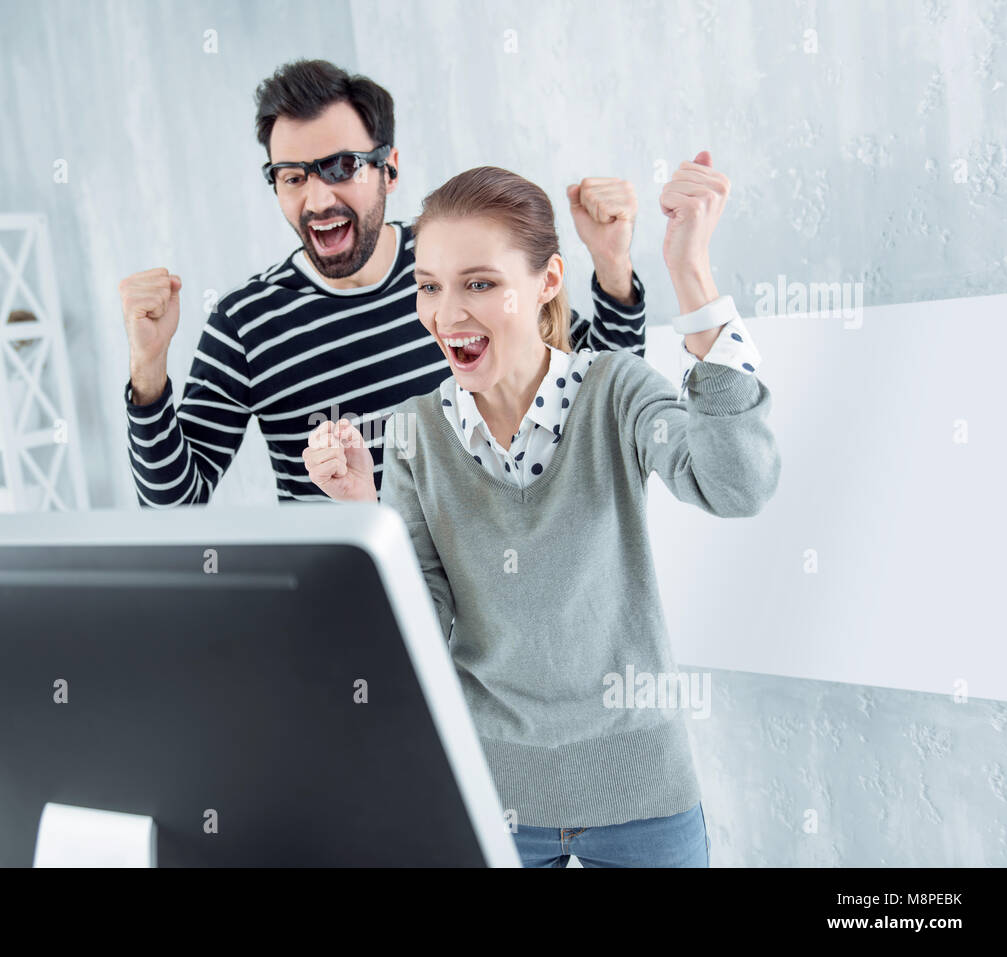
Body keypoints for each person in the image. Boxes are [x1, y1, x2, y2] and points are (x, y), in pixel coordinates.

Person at [302, 152, 781, 867]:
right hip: (492, 799)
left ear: (548, 280)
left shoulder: (615, 391)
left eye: (481, 283)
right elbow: (417, 635)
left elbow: (736, 484)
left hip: (641, 790)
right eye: (429, 286)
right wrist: (360, 515)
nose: (448, 312)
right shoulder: (412, 433)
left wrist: (692, 275)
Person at [119, 58, 649, 504]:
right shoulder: (245, 322)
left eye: (343, 166)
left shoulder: (458, 259)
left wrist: (612, 265)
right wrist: (147, 370)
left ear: (389, 169)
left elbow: (600, 396)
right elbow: (176, 505)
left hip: (488, 595)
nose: (318, 199)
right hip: (347, 610)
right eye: (293, 177)